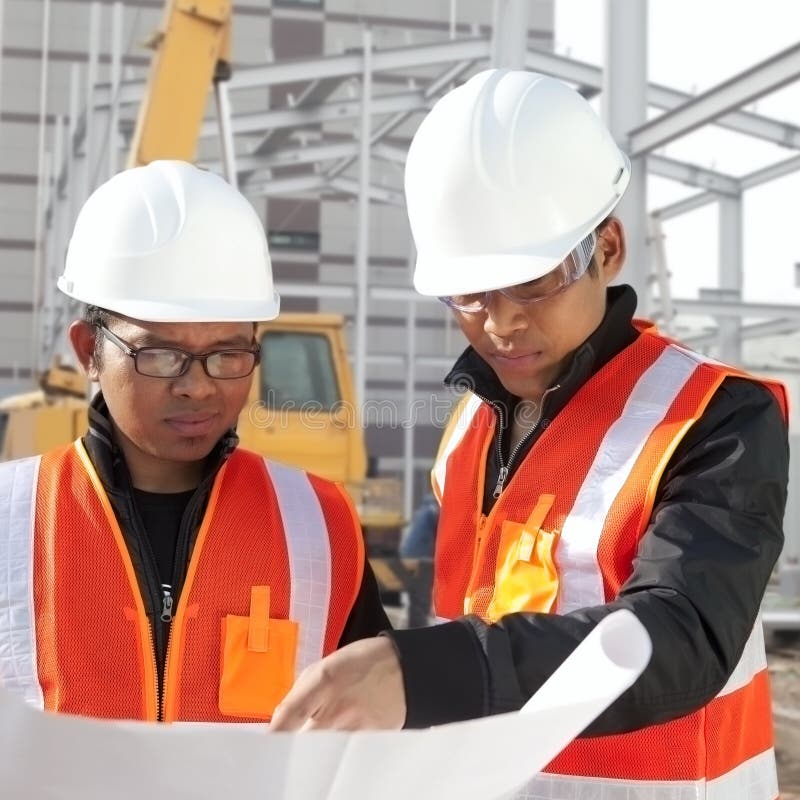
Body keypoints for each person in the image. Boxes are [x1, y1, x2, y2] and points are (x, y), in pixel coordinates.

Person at [270, 70, 789, 799]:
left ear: (607, 249)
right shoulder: (468, 431)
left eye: (533, 282)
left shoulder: (713, 415)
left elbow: (683, 635)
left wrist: (430, 671)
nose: (501, 322)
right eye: (470, 294)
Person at [0, 160, 389, 722]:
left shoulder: (319, 527)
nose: (198, 387)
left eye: (228, 354)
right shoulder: (11, 524)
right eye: (160, 355)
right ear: (89, 352)